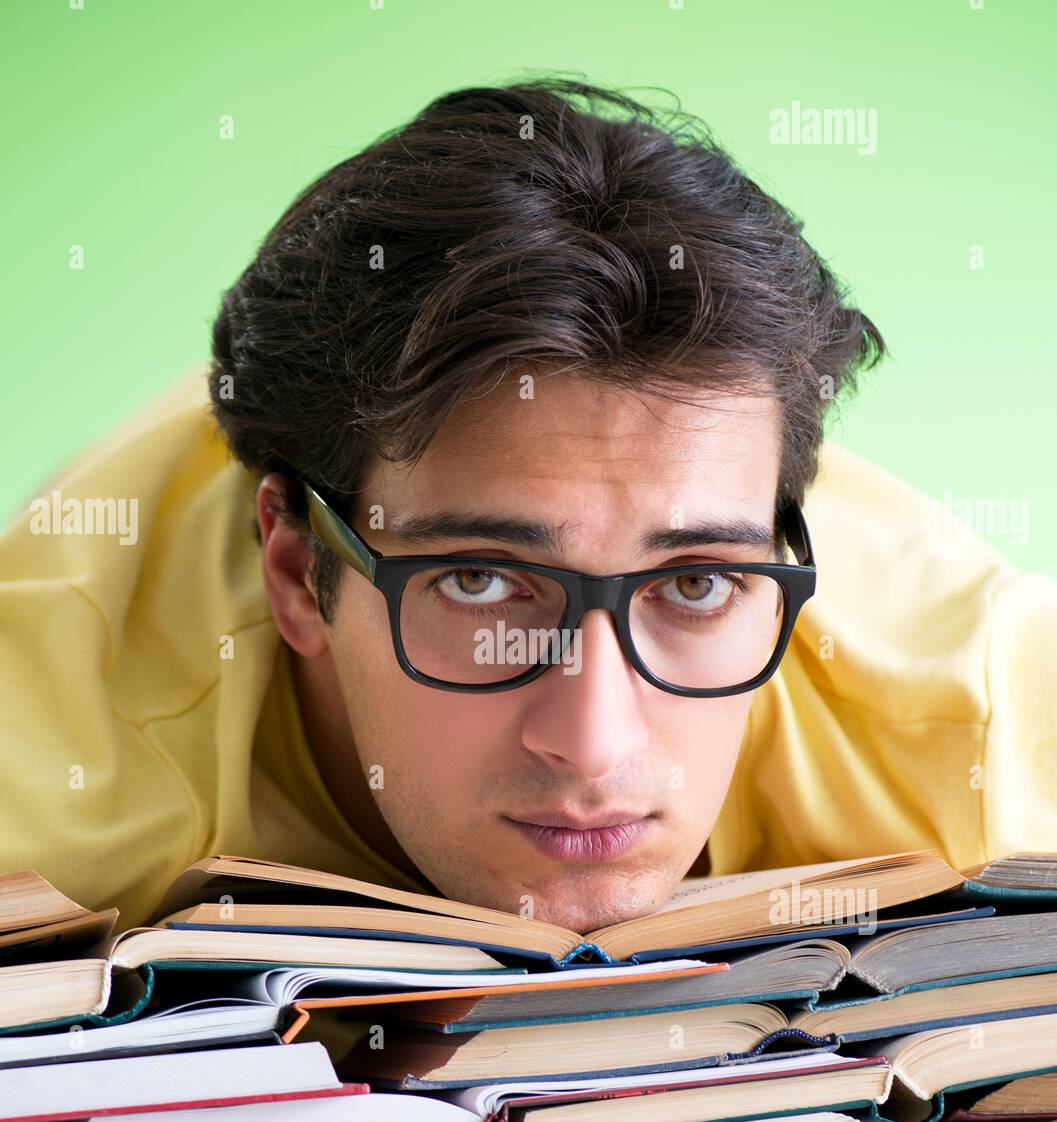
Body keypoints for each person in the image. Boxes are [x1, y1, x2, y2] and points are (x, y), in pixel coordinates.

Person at [2, 79, 1054, 933]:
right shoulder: (42, 783)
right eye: (479, 580)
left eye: (694, 581)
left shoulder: (980, 734)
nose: (594, 745)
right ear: (295, 572)